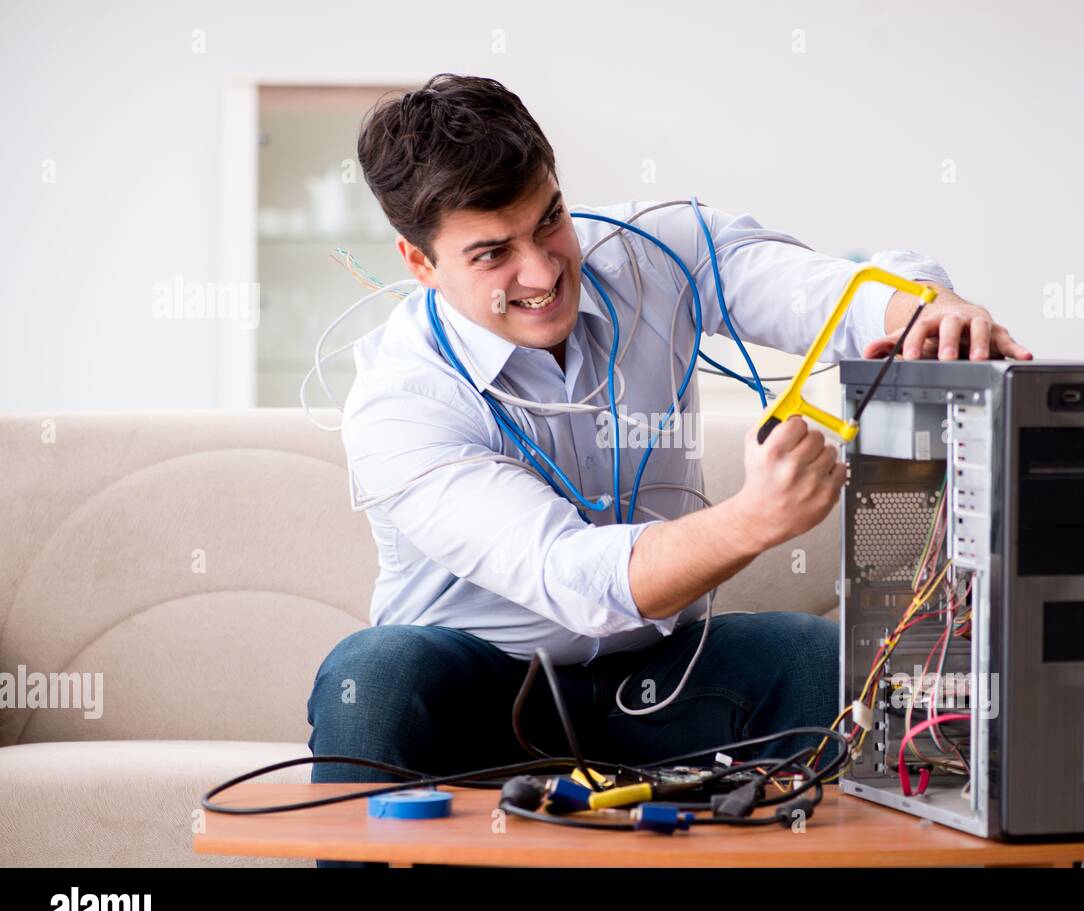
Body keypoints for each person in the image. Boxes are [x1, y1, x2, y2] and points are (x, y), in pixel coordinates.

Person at [307, 74, 1032, 864]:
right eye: (492, 253)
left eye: (548, 219)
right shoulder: (398, 403)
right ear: (420, 261)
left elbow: (824, 292)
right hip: (479, 693)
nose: (543, 273)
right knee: (371, 672)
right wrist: (756, 520)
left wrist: (925, 311)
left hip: (659, 683)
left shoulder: (652, 251)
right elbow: (572, 577)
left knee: (818, 663)